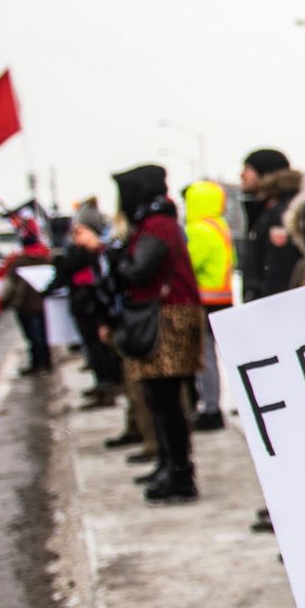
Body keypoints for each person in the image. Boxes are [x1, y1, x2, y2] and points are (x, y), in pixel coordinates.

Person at [111, 163, 203, 505]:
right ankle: (169, 463)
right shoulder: (157, 223)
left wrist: (116, 258)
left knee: (166, 400)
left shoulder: (157, 225)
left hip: (168, 318)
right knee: (160, 399)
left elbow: (139, 271)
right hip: (166, 316)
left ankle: (179, 471)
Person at [183, 180, 236, 432]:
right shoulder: (220, 226)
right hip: (222, 298)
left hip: (204, 301)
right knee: (215, 357)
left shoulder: (199, 230)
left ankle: (211, 408)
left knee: (205, 358)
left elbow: (187, 264)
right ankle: (214, 406)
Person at [61, 199, 123, 407]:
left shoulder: (105, 254)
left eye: (80, 232)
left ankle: (108, 389)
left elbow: (110, 288)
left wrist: (107, 320)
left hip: (104, 314)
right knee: (98, 351)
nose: (76, 239)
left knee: (104, 354)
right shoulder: (95, 254)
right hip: (99, 312)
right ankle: (105, 388)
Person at [238, 149, 303, 303]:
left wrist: (262, 305)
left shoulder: (279, 214)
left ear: (264, 173)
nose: (242, 175)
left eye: (247, 169)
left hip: (272, 311)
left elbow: (278, 274)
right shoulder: (265, 211)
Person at [0, 230, 53, 375]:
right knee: (43, 334)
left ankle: (37, 363)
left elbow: (9, 285)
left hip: (25, 306)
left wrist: (4, 301)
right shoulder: (46, 259)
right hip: (44, 304)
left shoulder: (19, 262)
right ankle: (46, 363)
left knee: (33, 337)